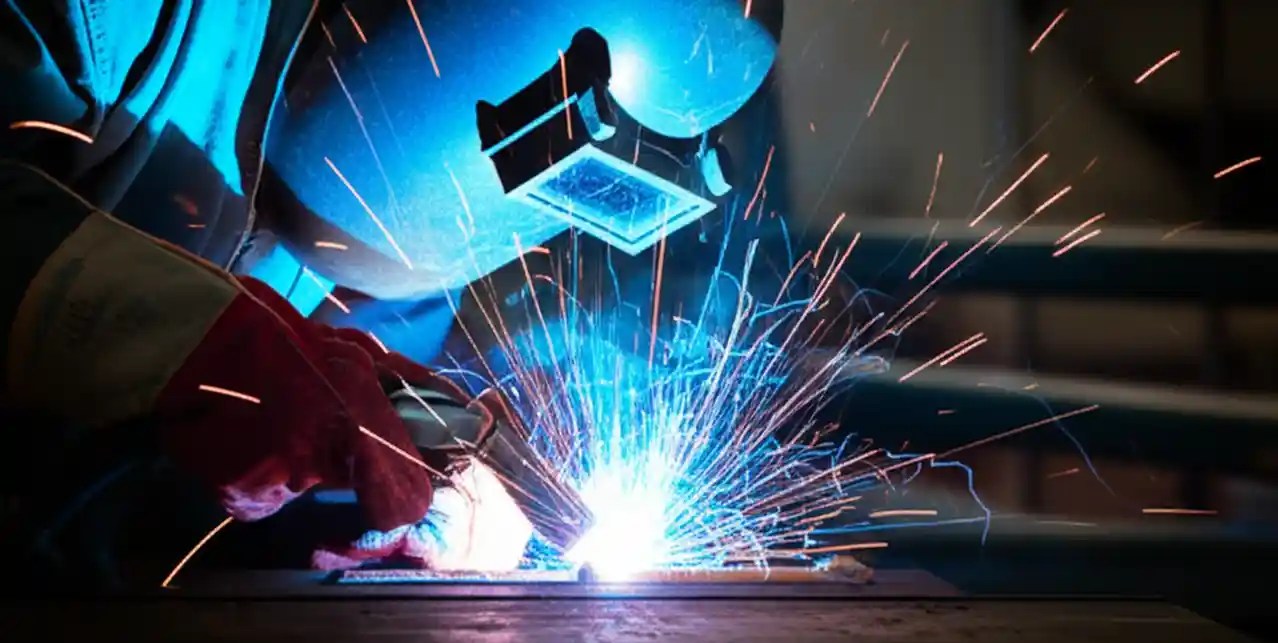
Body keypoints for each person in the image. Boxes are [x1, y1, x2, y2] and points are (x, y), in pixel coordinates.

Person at [0, 0, 782, 585]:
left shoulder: (405, 251)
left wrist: (416, 509)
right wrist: (175, 338)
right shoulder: (114, 16)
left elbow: (317, 431)